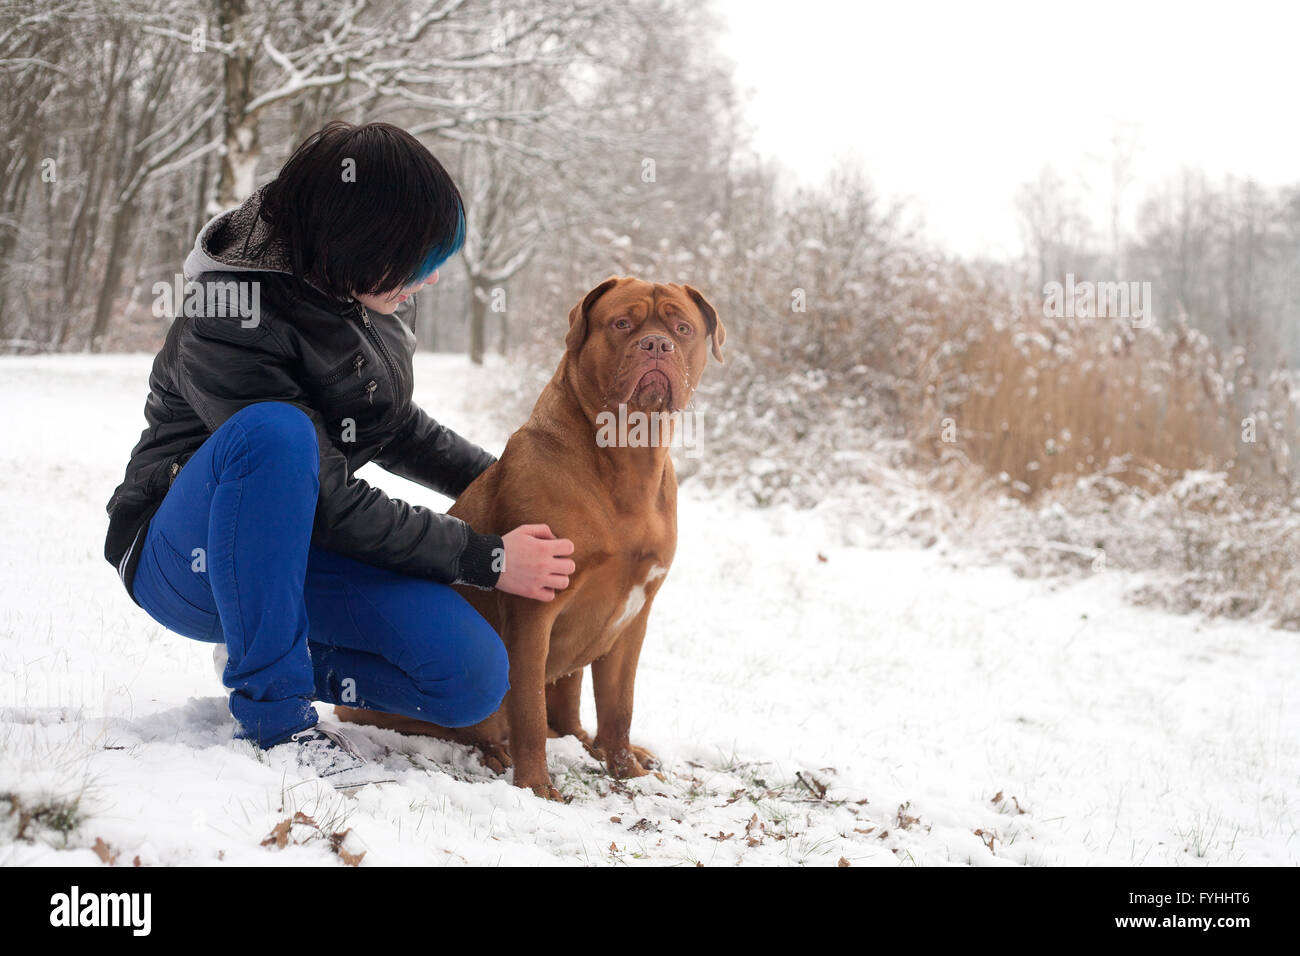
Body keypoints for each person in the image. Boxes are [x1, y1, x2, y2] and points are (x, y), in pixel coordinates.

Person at [103, 121, 575, 788]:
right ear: (360, 240)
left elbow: (395, 428)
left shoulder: (357, 289)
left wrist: (515, 484)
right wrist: (486, 557)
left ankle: (263, 643)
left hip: (292, 549)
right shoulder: (229, 311)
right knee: (277, 434)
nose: (430, 278)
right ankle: (275, 717)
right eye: (416, 257)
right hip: (183, 555)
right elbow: (327, 496)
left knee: (471, 678)